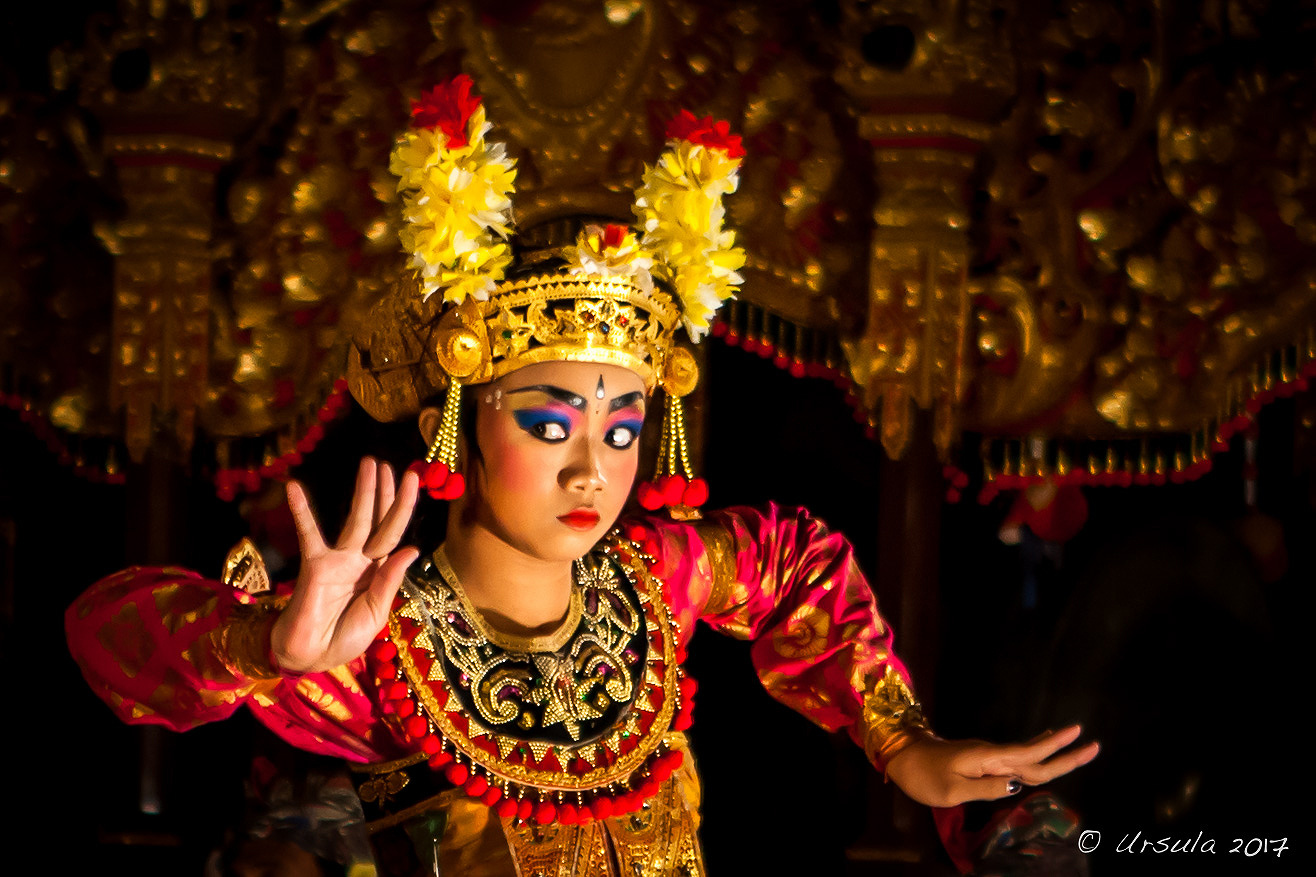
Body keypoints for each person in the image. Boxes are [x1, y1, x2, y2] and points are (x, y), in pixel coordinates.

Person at [67, 77, 1096, 876]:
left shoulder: (654, 584)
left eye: (621, 428)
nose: (589, 467)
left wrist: (899, 740)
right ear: (456, 424)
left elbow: (798, 566)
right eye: (552, 421)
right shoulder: (380, 649)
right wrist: (260, 642)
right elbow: (106, 637)